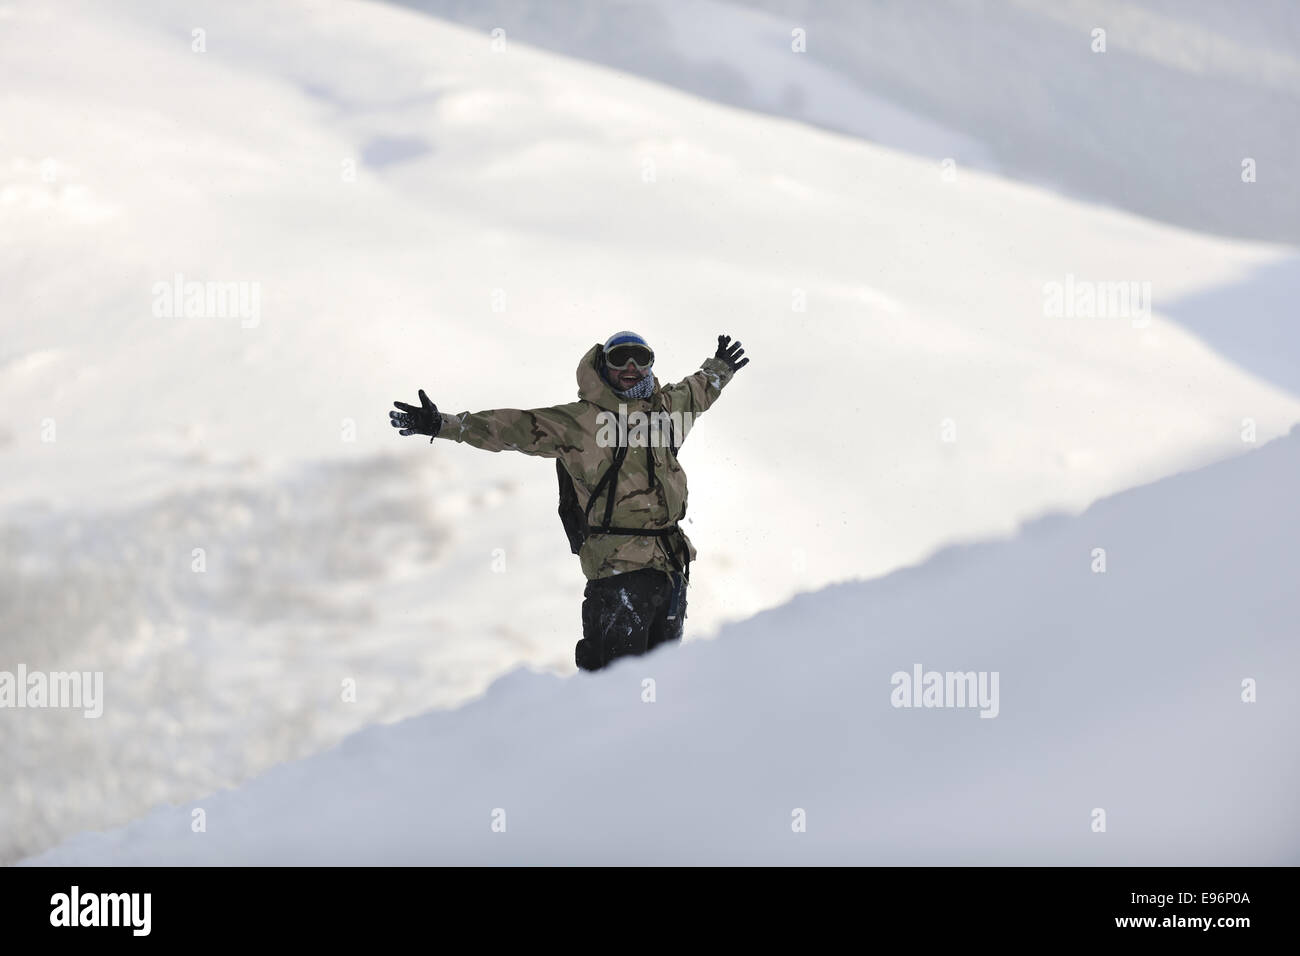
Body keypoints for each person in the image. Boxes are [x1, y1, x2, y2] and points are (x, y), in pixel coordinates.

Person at [388, 332, 749, 671]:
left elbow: (698, 390)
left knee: (666, 681)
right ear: (603, 366)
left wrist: (721, 367)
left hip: (671, 569)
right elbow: (509, 427)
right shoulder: (579, 422)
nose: (630, 369)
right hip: (618, 570)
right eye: (620, 359)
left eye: (641, 360)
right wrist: (443, 424)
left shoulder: (666, 412)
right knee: (614, 685)